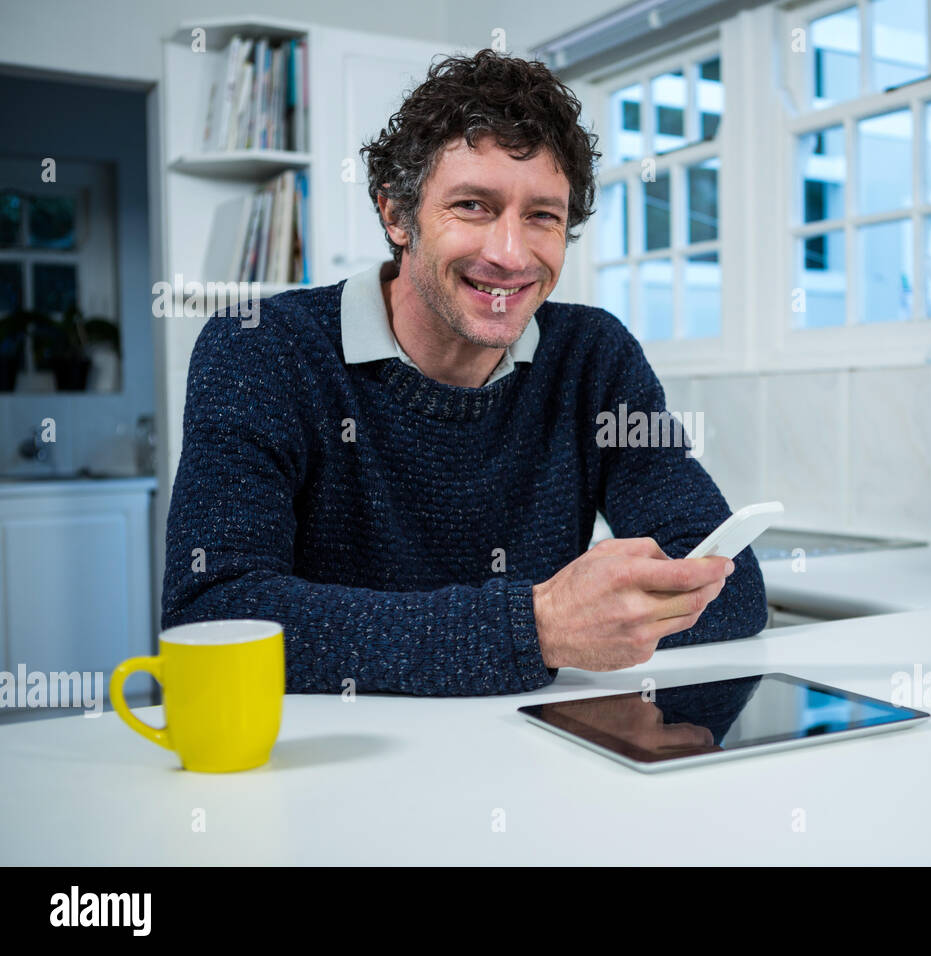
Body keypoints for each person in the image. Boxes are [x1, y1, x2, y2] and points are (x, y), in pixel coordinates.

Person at [161, 50, 767, 696]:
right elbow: (213, 612)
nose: (509, 255)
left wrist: (585, 616)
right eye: (474, 206)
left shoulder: (594, 357)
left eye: (543, 216)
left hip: (531, 760)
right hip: (332, 772)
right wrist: (536, 627)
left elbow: (732, 587)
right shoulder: (259, 351)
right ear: (396, 215)